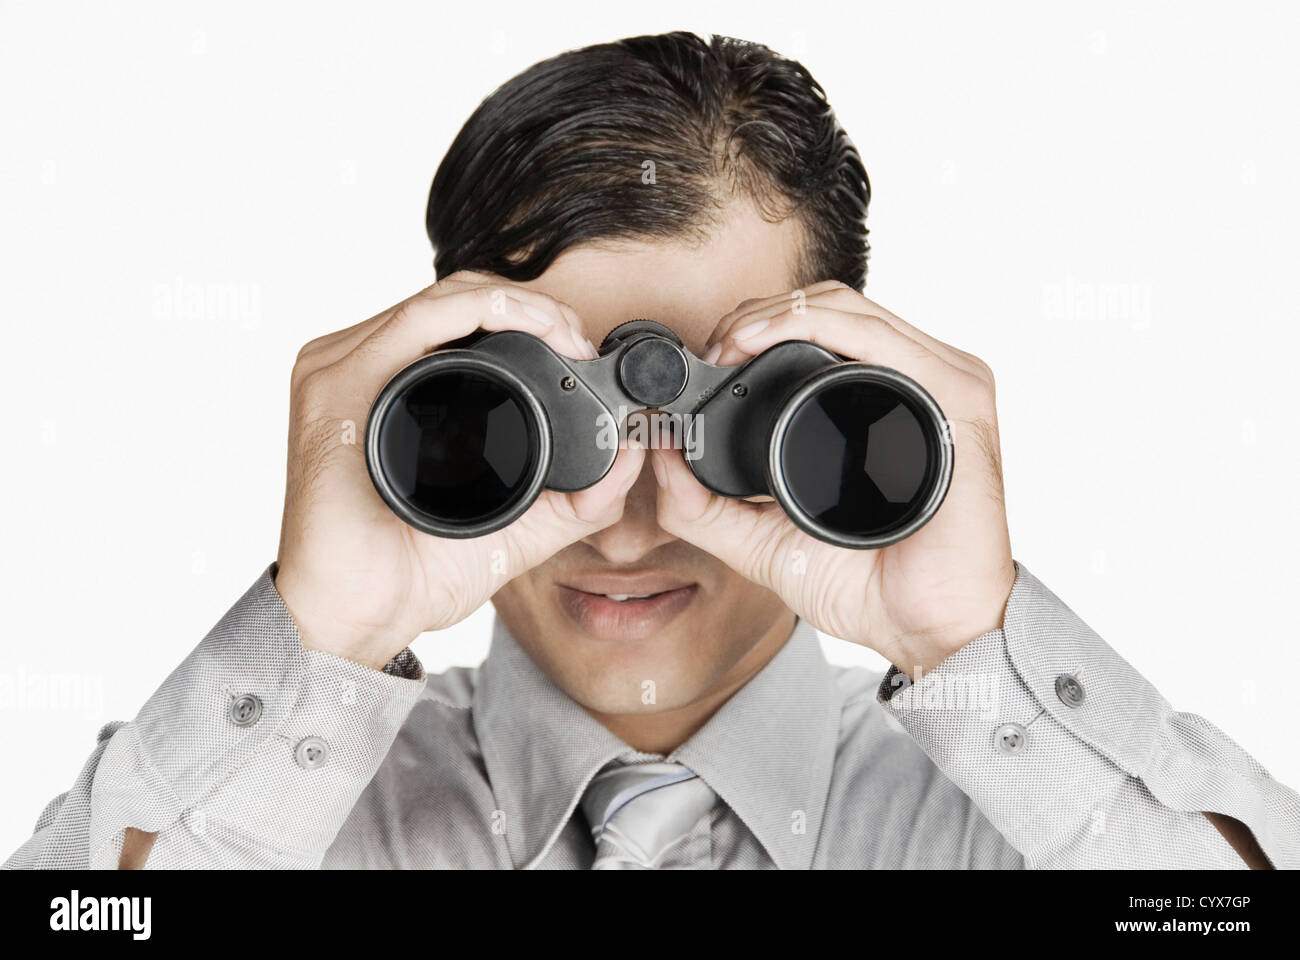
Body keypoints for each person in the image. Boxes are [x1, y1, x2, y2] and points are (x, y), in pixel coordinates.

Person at [7, 32, 1296, 870]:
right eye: (542, 416)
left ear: (846, 396)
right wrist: (314, 640)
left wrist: (975, 644)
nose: (623, 516)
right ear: (434, 386)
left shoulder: (1022, 830)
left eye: (741, 412)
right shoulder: (277, 820)